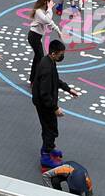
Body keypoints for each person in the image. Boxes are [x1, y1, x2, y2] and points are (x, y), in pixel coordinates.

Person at [33, 39, 77, 169]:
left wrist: (67, 89)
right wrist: (55, 108)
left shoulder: (49, 61)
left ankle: (49, 148)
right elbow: (45, 93)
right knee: (50, 129)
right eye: (60, 54)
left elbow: (56, 79)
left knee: (50, 127)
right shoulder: (46, 68)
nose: (61, 56)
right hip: (44, 104)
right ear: (53, 53)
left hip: (46, 102)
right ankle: (46, 156)